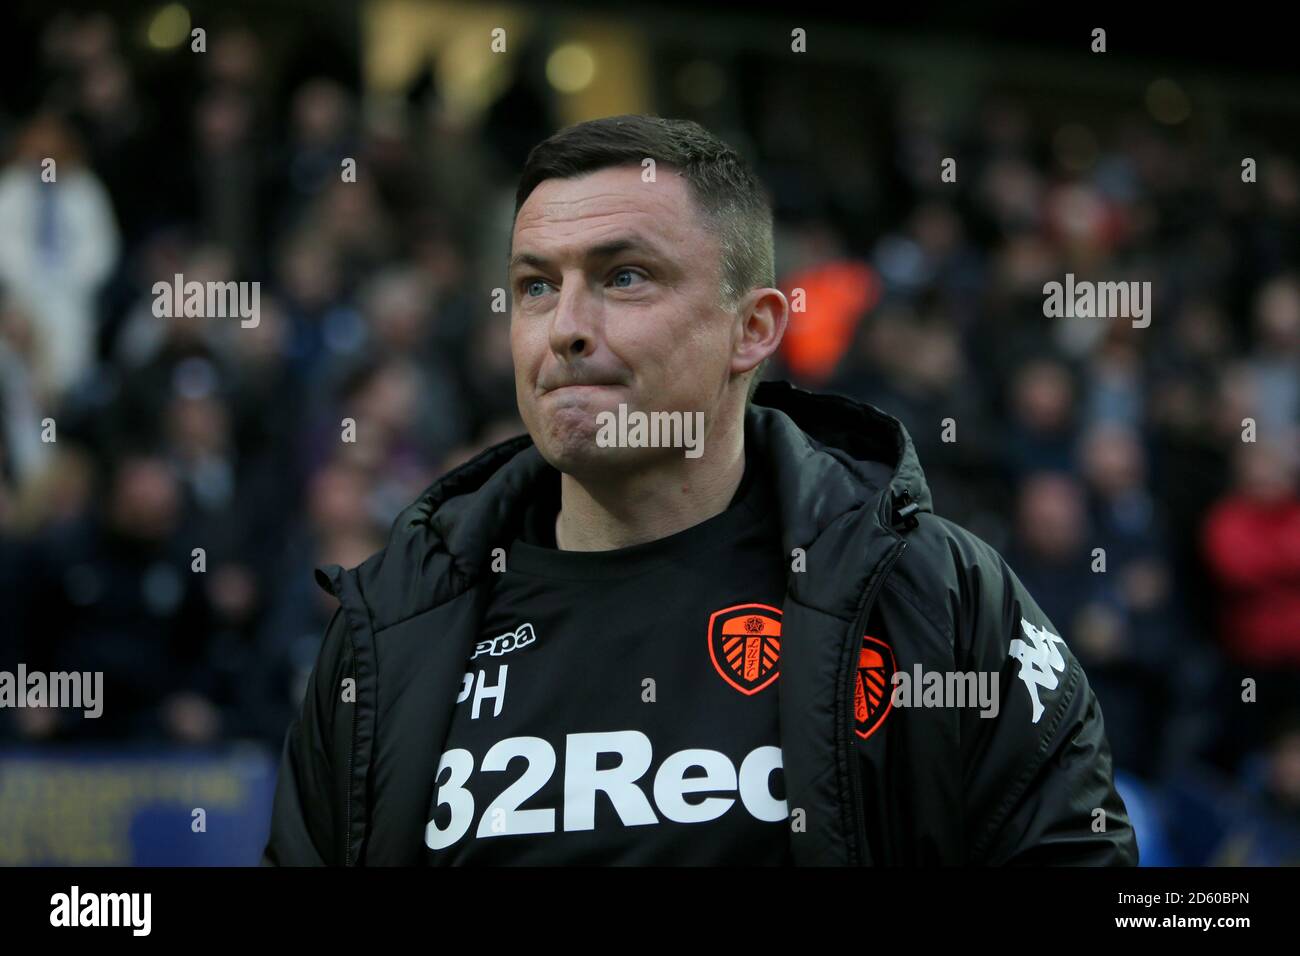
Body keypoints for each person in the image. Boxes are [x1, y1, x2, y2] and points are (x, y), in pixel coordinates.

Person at [263, 115, 1137, 865]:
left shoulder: (935, 602)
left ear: (752, 328)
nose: (565, 328)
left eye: (623, 277)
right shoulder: (394, 626)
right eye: (536, 286)